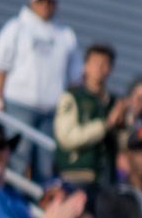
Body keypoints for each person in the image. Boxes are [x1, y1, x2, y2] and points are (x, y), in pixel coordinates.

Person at [0, 0, 78, 180]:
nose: (46, 5)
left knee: (45, 167)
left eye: (50, 1)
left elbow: (74, 77)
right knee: (17, 160)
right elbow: (1, 65)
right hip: (19, 106)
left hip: (51, 112)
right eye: (41, 0)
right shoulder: (17, 27)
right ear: (32, 2)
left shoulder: (65, 35)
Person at [51, 41, 131, 186]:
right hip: (76, 175)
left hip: (106, 178)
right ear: (85, 66)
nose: (99, 68)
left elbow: (125, 146)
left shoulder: (114, 102)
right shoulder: (72, 97)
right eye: (95, 63)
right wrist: (106, 124)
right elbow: (68, 138)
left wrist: (123, 125)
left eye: (105, 64)